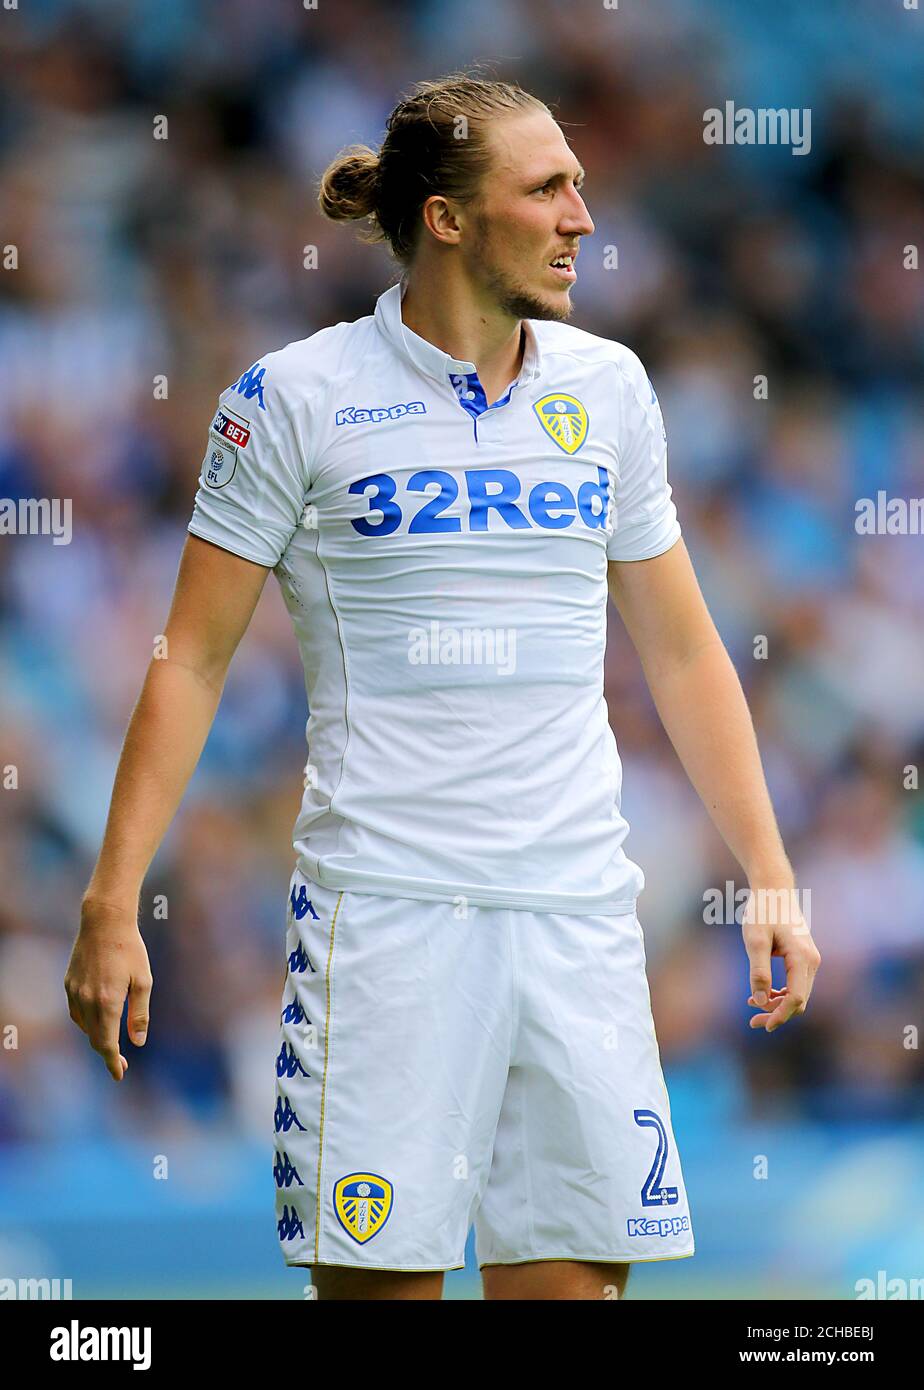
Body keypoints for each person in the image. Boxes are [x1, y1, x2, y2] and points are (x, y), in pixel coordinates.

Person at [65, 73, 821, 1301]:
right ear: (449, 220)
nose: (585, 215)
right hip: (386, 928)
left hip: (578, 918)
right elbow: (190, 658)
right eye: (549, 189)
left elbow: (683, 652)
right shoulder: (292, 398)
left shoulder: (611, 390)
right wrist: (112, 900)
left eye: (579, 183)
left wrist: (769, 871)